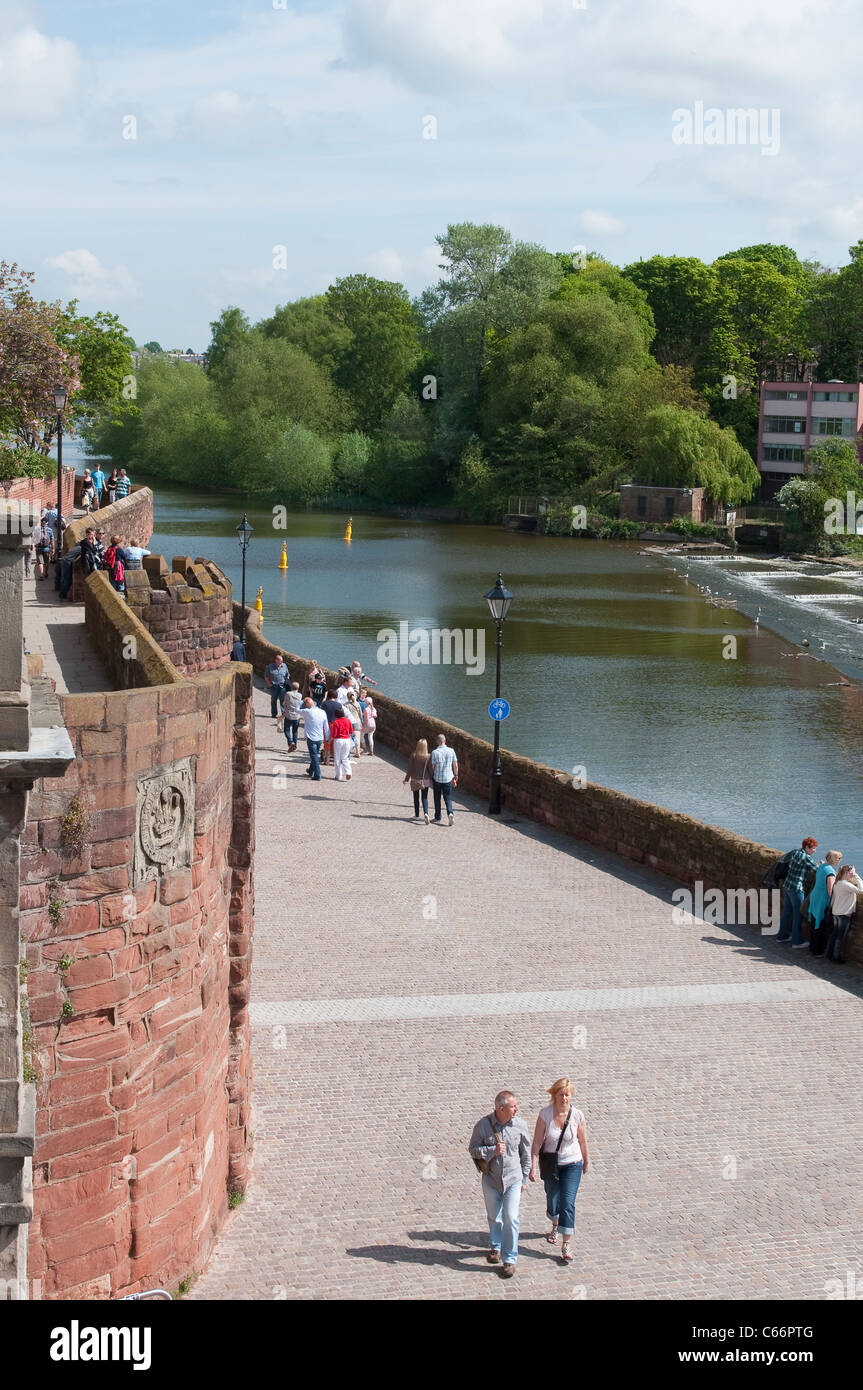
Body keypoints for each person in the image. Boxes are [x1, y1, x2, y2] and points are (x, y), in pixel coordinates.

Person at [468, 1091, 531, 1279]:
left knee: (511, 1218)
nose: (517, 1109)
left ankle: (510, 1259)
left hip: (513, 1178)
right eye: (513, 1107)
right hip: (491, 1179)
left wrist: (525, 1178)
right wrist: (492, 1150)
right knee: (495, 1217)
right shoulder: (483, 1126)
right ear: (501, 1109)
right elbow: (473, 1150)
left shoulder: (520, 1125)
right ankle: (496, 1247)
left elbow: (526, 1154)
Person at [530, 1078, 589, 1265]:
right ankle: (555, 1224)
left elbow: (582, 1141)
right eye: (561, 1094)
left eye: (567, 1095)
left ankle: (566, 1244)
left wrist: (586, 1160)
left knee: (568, 1202)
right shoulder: (545, 1114)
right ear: (554, 1095)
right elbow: (538, 1141)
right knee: (553, 1198)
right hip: (551, 1164)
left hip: (572, 1163)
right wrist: (532, 1164)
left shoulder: (577, 1115)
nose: (564, 1098)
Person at [777, 837, 819, 948]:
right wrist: (822, 864)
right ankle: (797, 941)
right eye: (813, 848)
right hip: (796, 888)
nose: (815, 850)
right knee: (798, 915)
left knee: (787, 912)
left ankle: (782, 936)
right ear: (807, 847)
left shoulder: (796, 852)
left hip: (787, 885)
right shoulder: (806, 857)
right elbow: (818, 870)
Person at [808, 850, 842, 957]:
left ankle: (812, 947)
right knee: (821, 924)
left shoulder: (822, 867)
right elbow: (830, 890)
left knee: (814, 921)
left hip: (815, 896)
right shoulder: (830, 872)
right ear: (833, 859)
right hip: (822, 899)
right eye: (838, 858)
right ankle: (818, 950)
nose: (839, 861)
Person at [825, 866, 859, 963]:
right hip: (844, 914)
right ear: (847, 873)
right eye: (851, 872)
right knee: (840, 936)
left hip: (836, 912)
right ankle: (836, 957)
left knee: (834, 934)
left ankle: (829, 953)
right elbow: (861, 890)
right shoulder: (845, 885)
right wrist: (856, 876)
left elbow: (834, 899)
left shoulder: (837, 883)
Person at [429, 733, 458, 826]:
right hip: (448, 778)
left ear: (437, 742)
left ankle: (438, 817)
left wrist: (432, 775)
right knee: (448, 798)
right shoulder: (451, 751)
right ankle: (450, 813)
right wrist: (456, 775)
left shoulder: (434, 752)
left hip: (437, 778)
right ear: (445, 741)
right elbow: (455, 765)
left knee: (437, 798)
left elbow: (433, 766)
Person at [403, 738, 431, 821]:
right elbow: (430, 769)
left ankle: (417, 815)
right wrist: (432, 778)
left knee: (416, 798)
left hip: (415, 779)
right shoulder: (428, 756)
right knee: (424, 797)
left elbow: (410, 769)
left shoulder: (414, 755)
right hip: (425, 779)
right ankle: (426, 813)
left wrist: (406, 779)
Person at [301, 698, 329, 781]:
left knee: (314, 756)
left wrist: (301, 701)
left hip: (311, 737)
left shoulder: (307, 711)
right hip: (320, 737)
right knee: (315, 754)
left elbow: (296, 710)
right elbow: (326, 726)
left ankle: (318, 774)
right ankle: (310, 770)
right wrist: (327, 737)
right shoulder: (322, 712)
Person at [264, 653, 290, 724]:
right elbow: (266, 676)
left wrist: (287, 681)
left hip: (282, 687)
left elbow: (288, 674)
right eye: (280, 661)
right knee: (273, 700)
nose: (281, 662)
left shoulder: (284, 666)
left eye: (282, 661)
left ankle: (283, 714)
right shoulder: (270, 667)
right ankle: (274, 713)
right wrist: (269, 684)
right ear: (276, 660)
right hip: (274, 686)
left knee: (283, 701)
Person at [330, 707, 354, 781]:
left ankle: (338, 775)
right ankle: (348, 772)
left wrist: (330, 740)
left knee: (337, 758)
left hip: (338, 740)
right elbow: (351, 731)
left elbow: (334, 734)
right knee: (345, 757)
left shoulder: (336, 722)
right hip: (346, 740)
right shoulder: (348, 721)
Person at [321, 689, 343, 767]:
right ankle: (334, 761)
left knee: (327, 741)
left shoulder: (325, 704)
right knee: (335, 742)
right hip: (336, 724)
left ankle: (326, 760)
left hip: (327, 724)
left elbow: (322, 714)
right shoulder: (339, 705)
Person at [282, 681, 302, 752]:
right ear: (298, 688)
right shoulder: (300, 695)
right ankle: (294, 747)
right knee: (295, 731)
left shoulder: (288, 694)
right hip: (297, 716)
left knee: (286, 730)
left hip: (289, 715)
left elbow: (284, 703)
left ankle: (290, 742)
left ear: (291, 687)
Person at [344, 690, 363, 757]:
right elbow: (360, 714)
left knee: (349, 738)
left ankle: (347, 752)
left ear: (347, 697)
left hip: (349, 722)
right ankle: (357, 752)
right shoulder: (357, 704)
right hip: (357, 722)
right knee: (357, 738)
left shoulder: (346, 705)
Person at [360, 689, 377, 755]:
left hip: (368, 724)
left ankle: (364, 749)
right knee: (370, 737)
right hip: (373, 724)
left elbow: (366, 719)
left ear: (366, 702)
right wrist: (371, 715)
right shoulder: (374, 708)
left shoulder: (366, 709)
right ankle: (371, 751)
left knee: (361, 735)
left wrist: (362, 724)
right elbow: (375, 716)